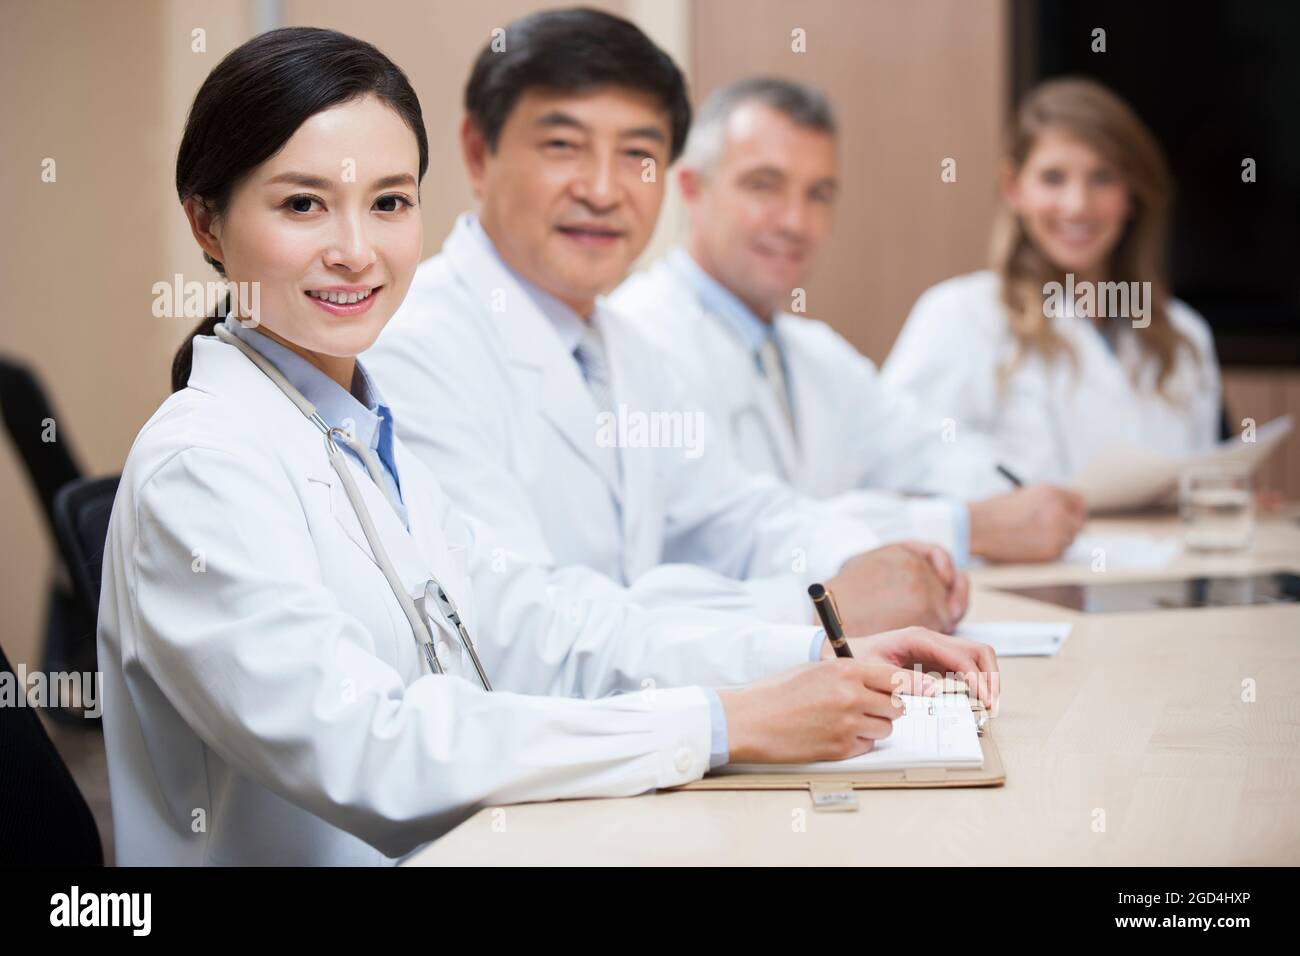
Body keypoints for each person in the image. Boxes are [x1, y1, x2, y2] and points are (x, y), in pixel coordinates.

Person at [99, 26, 996, 867]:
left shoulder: (355, 433)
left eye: (388, 203)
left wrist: (804, 661)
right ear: (207, 224)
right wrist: (722, 723)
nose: (356, 250)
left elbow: (543, 630)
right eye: (303, 204)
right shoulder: (205, 467)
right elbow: (375, 751)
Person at [366, 8, 969, 636]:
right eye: (564, 146)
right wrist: (821, 608)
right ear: (477, 152)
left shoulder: (626, 348)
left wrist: (866, 558)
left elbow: (732, 514)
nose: (603, 190)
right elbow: (519, 629)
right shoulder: (413, 347)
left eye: (636, 155)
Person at [613, 78, 1086, 564]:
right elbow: (727, 530)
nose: (795, 222)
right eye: (764, 186)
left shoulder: (816, 353)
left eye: (818, 194)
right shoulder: (639, 337)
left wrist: (1021, 493)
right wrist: (962, 527)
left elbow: (926, 450)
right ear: (692, 188)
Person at [882, 77, 1222, 485]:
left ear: (1130, 194)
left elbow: (1208, 489)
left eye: (1102, 178)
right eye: (1053, 178)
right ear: (1014, 187)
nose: (1077, 206)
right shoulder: (960, 315)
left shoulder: (1183, 335)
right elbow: (896, 460)